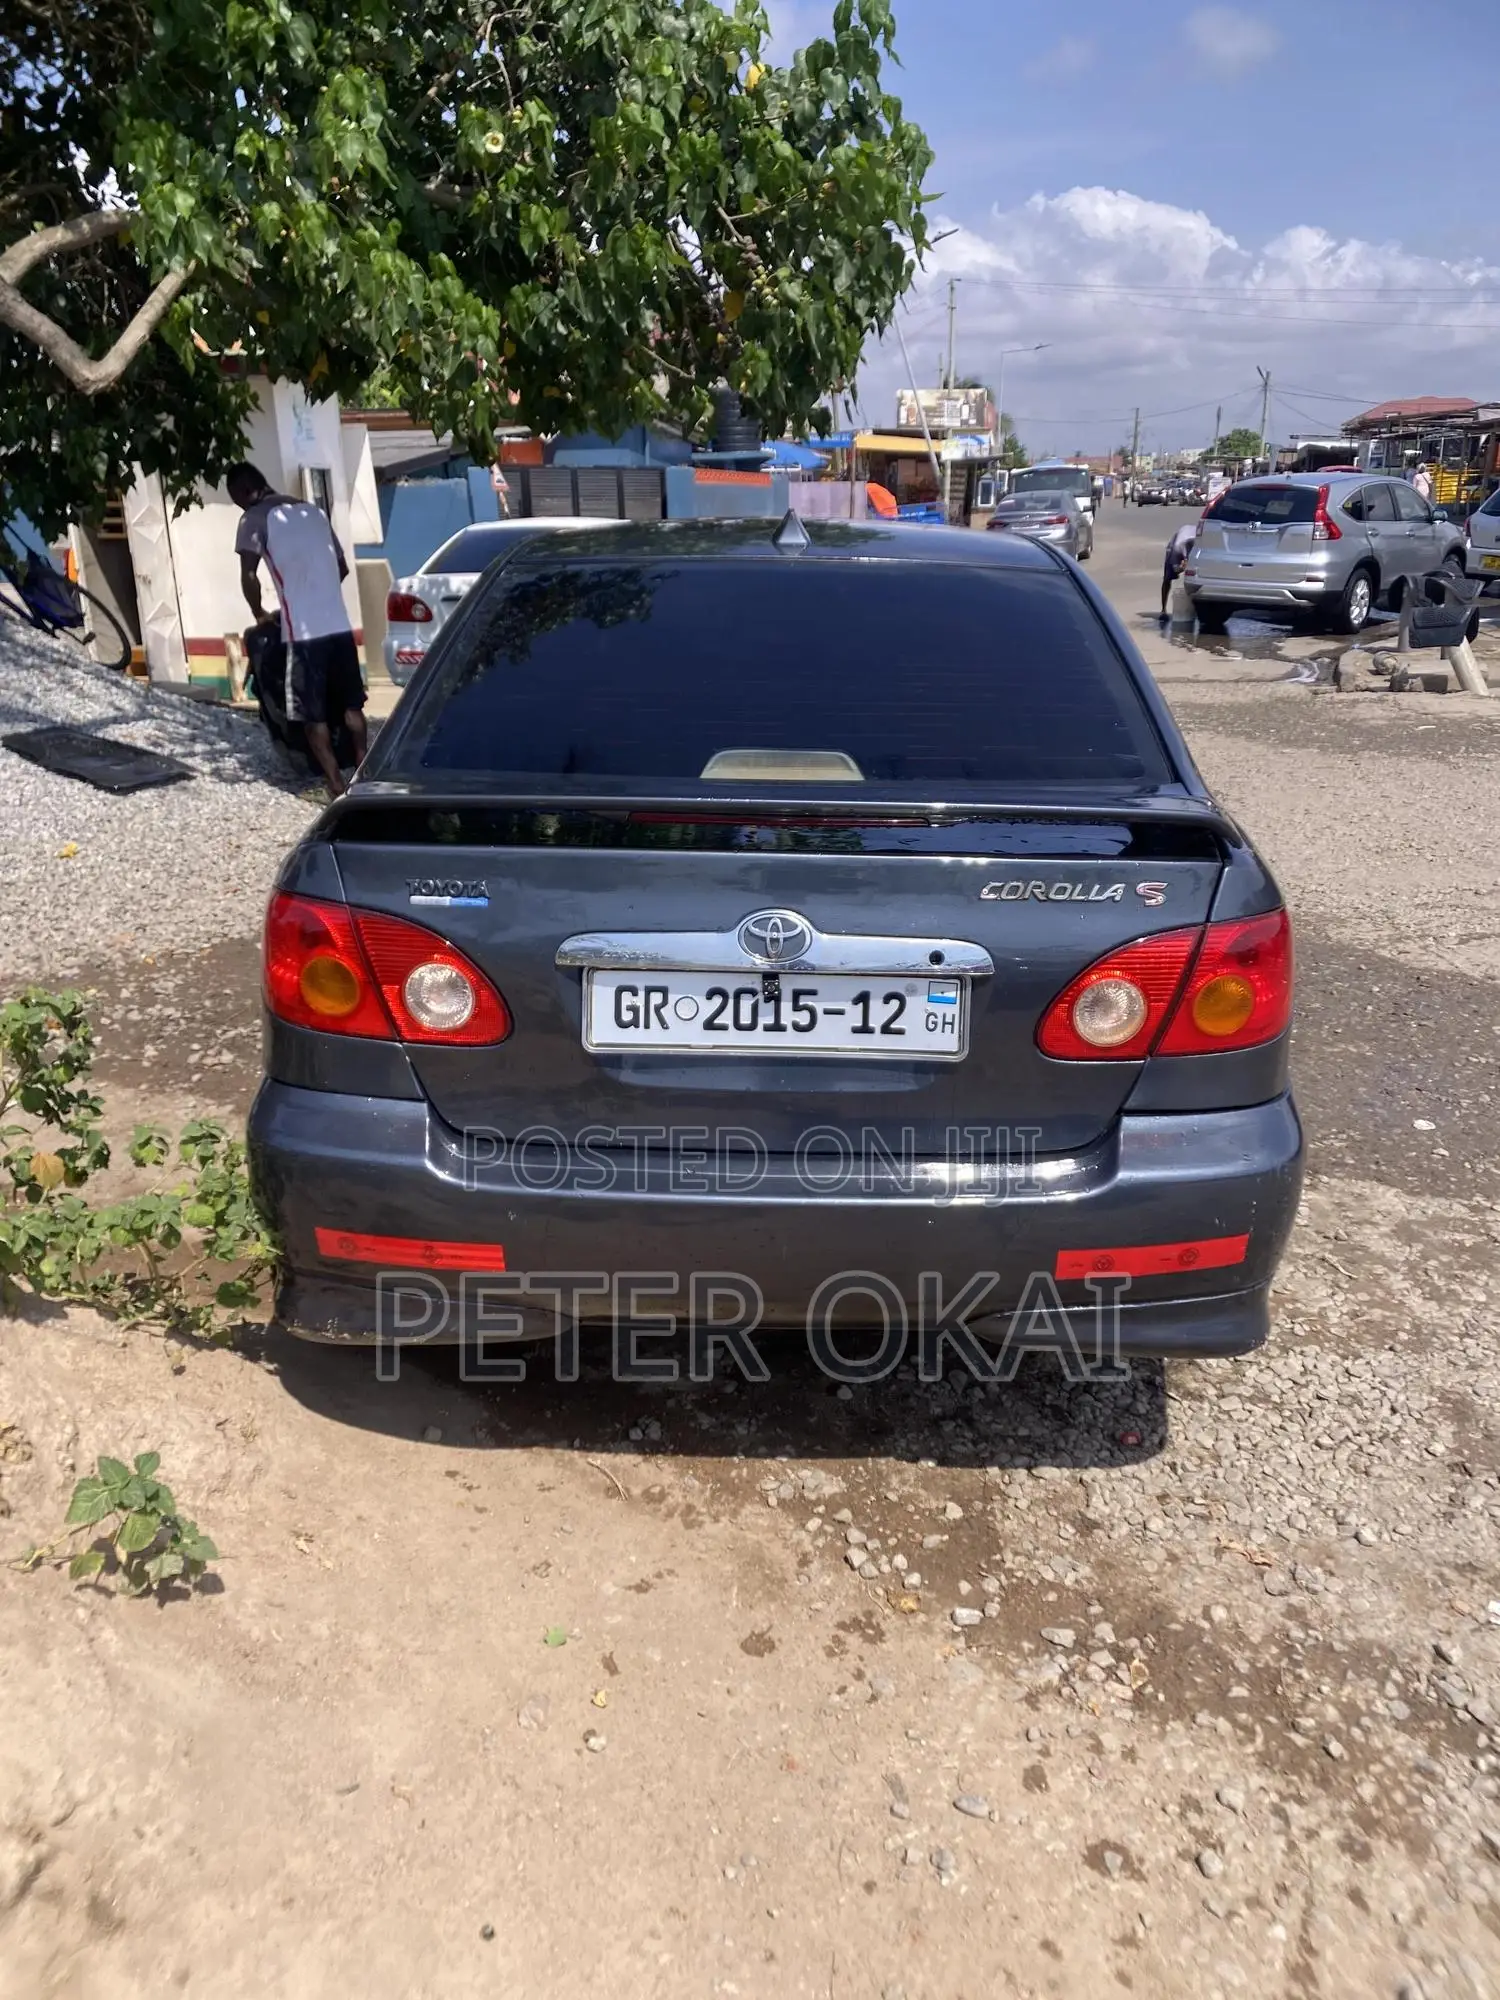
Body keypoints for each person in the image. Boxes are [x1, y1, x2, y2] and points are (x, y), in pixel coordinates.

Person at [227, 463, 367, 797]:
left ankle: (335, 784)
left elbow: (249, 575)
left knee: (310, 714)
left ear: (246, 491)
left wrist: (259, 613)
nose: (238, 507)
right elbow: (341, 567)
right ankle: (365, 774)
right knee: (352, 706)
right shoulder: (312, 512)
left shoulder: (254, 519)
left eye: (236, 499)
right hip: (340, 626)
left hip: (304, 636)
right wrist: (318, 594)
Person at [1162, 519, 1197, 619]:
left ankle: (1194, 610)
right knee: (1167, 577)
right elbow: (1176, 569)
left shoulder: (1201, 541)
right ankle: (1163, 609)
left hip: (1190, 539)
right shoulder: (1176, 549)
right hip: (1178, 542)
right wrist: (1181, 568)